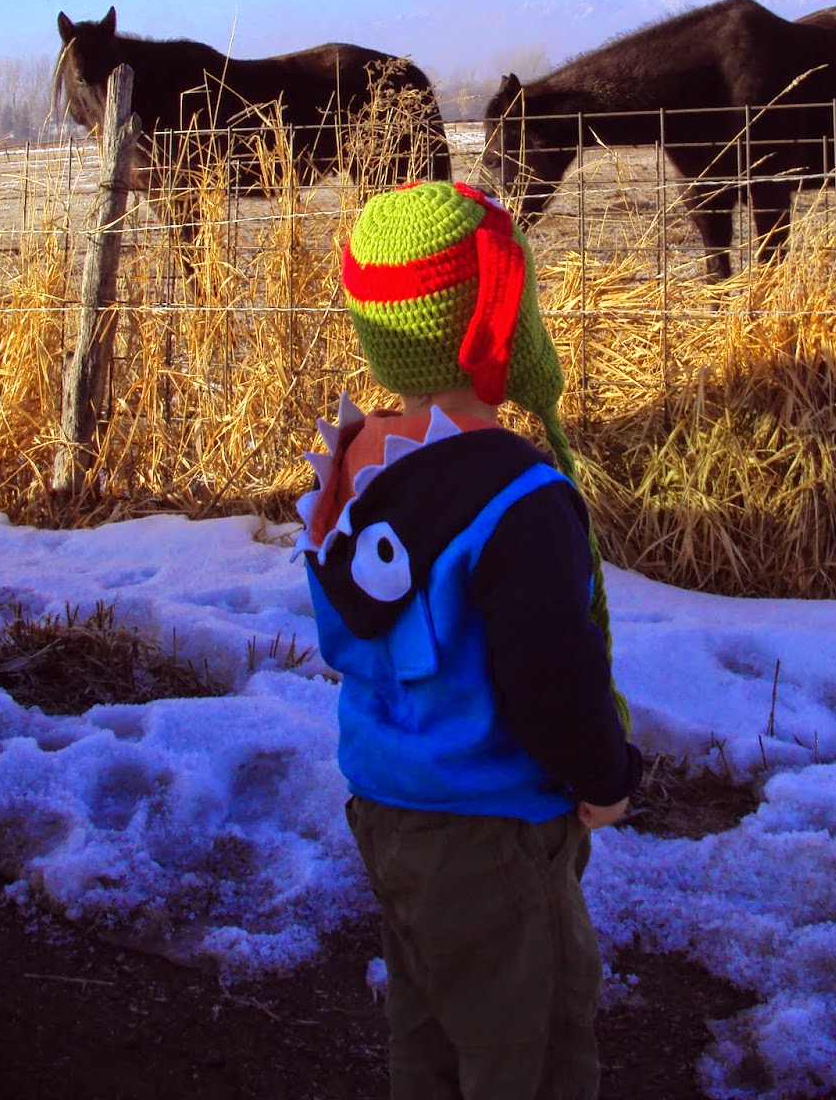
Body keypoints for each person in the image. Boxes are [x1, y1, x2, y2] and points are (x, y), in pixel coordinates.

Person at [295, 179, 642, 1100]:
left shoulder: (358, 467)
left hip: (388, 815)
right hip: (496, 839)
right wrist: (607, 775)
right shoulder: (519, 500)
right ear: (501, 320)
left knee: (429, 1035)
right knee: (531, 1053)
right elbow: (552, 677)